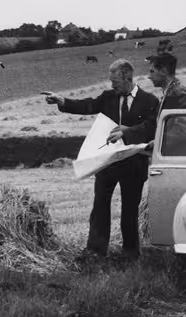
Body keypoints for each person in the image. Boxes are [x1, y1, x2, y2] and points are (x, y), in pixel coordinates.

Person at [43, 59, 158, 259]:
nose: (112, 85)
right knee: (100, 207)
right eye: (111, 81)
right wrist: (62, 101)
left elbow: (152, 127)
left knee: (130, 211)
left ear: (128, 78)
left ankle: (130, 253)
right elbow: (88, 105)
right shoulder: (108, 97)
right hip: (107, 163)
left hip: (134, 164)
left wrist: (128, 132)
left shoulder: (150, 101)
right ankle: (95, 251)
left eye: (116, 81)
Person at [113, 51, 186, 148]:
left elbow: (185, 131)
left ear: (163, 71)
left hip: (181, 158)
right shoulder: (169, 93)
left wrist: (159, 142)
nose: (149, 76)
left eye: (152, 71)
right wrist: (127, 131)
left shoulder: (179, 94)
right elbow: (152, 125)